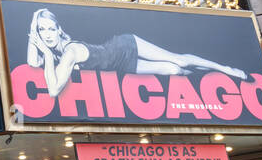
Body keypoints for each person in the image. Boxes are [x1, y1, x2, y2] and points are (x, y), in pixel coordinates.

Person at [26, 7, 247, 99]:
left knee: (176, 58)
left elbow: (54, 90)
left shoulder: (69, 51)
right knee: (174, 70)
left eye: (51, 28)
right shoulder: (53, 50)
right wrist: (35, 34)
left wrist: (46, 54)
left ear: (58, 29)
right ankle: (210, 76)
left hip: (123, 46)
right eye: (41, 30)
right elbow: (32, 63)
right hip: (119, 65)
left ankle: (225, 69)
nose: (47, 34)